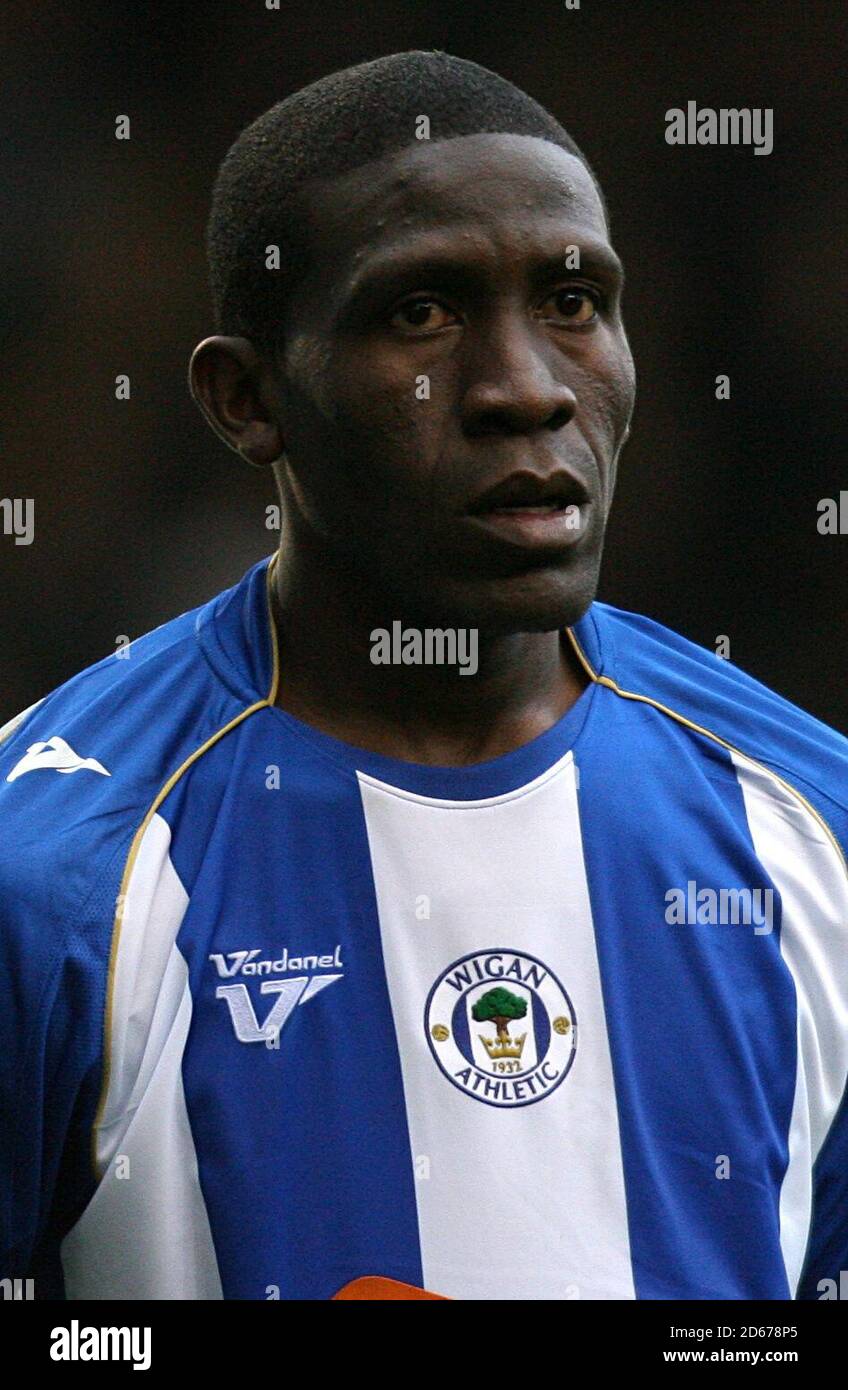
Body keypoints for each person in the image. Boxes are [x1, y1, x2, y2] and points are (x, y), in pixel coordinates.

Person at [1, 50, 846, 1302]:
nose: (523, 389)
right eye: (420, 313)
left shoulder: (813, 830)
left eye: (571, 303)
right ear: (247, 401)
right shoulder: (50, 874)